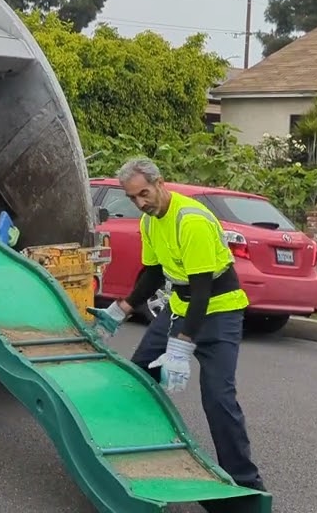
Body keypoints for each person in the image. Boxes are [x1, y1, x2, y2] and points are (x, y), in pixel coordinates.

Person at [88, 157, 266, 495]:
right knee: (140, 375)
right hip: (181, 306)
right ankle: (138, 453)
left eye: (144, 193)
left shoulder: (191, 220)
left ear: (159, 183)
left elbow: (203, 291)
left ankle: (245, 483)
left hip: (219, 311)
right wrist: (119, 310)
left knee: (218, 398)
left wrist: (181, 349)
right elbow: (153, 274)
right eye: (132, 198)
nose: (141, 203)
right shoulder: (150, 222)